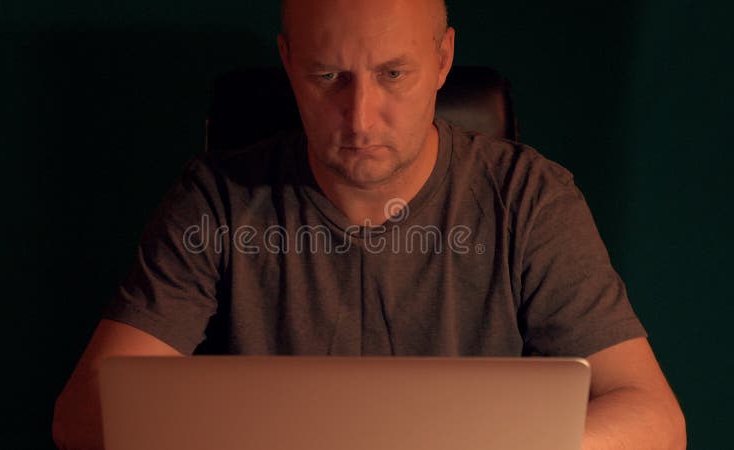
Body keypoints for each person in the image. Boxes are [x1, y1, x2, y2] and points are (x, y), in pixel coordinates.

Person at [52, 0, 686, 449]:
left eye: (393, 74)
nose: (359, 119)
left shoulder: (528, 198)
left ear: (443, 59)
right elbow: (80, 418)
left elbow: (656, 420)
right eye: (328, 76)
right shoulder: (215, 201)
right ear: (288, 63)